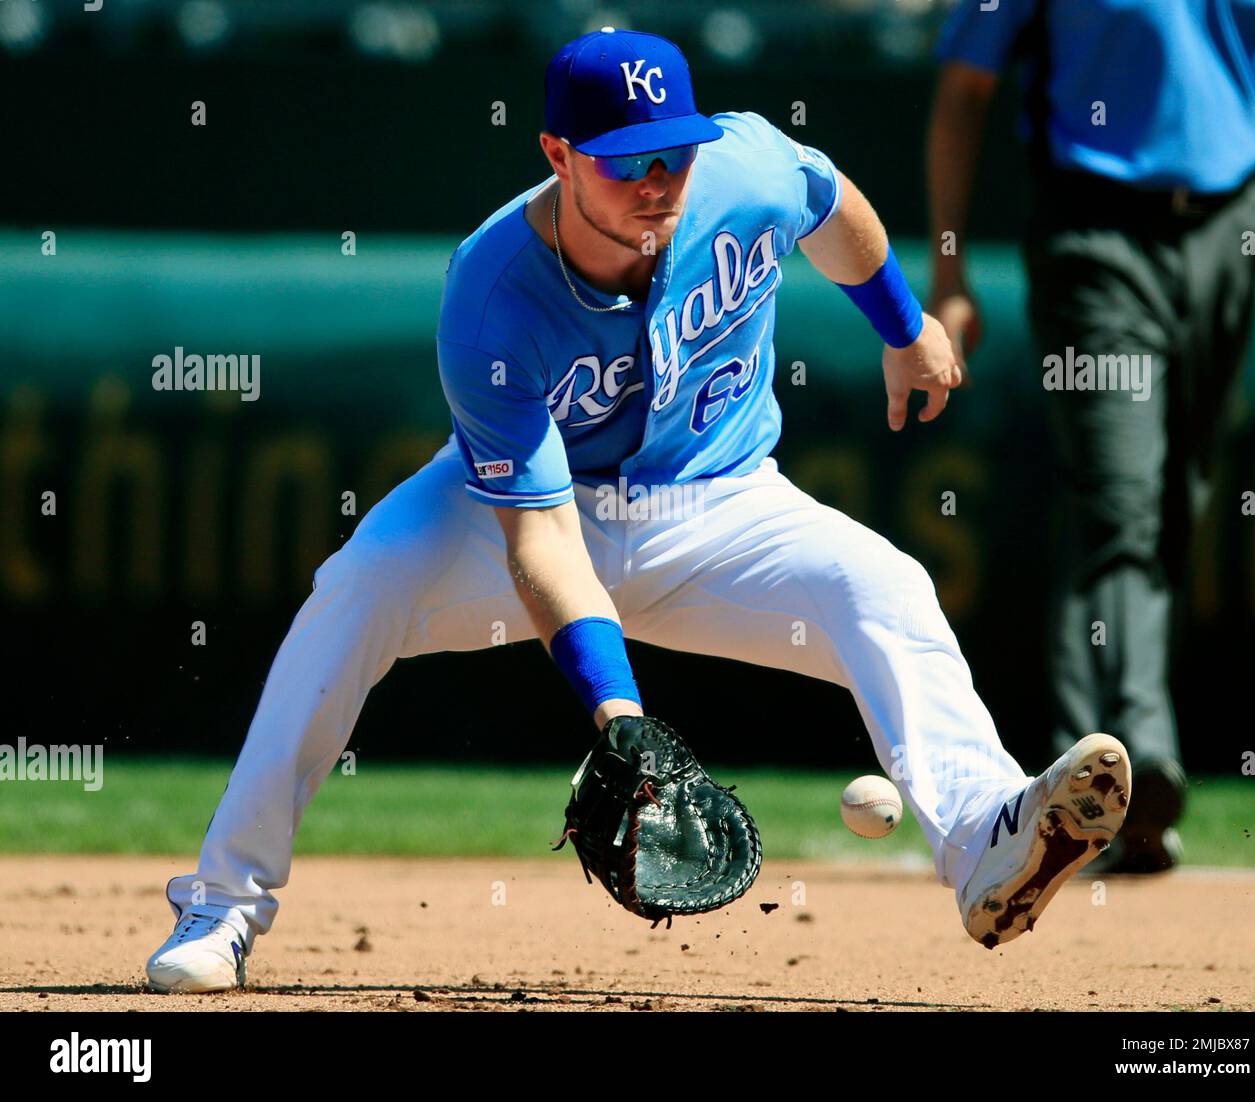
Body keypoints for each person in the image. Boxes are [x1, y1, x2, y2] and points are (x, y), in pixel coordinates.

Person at [145, 26, 1131, 993]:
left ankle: (987, 845)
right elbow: (538, 532)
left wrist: (904, 327)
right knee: (352, 590)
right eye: (624, 164)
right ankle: (224, 902)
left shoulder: (742, 169)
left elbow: (831, 203)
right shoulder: (493, 292)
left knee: (885, 587)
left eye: (672, 154)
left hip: (722, 504)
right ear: (557, 154)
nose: (657, 179)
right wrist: (619, 716)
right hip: (528, 516)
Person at [927, 0, 1255, 872]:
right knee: (1119, 498)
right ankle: (1125, 760)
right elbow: (963, 87)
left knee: (1174, 501)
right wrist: (949, 269)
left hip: (1231, 226)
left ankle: (1112, 800)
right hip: (1095, 232)